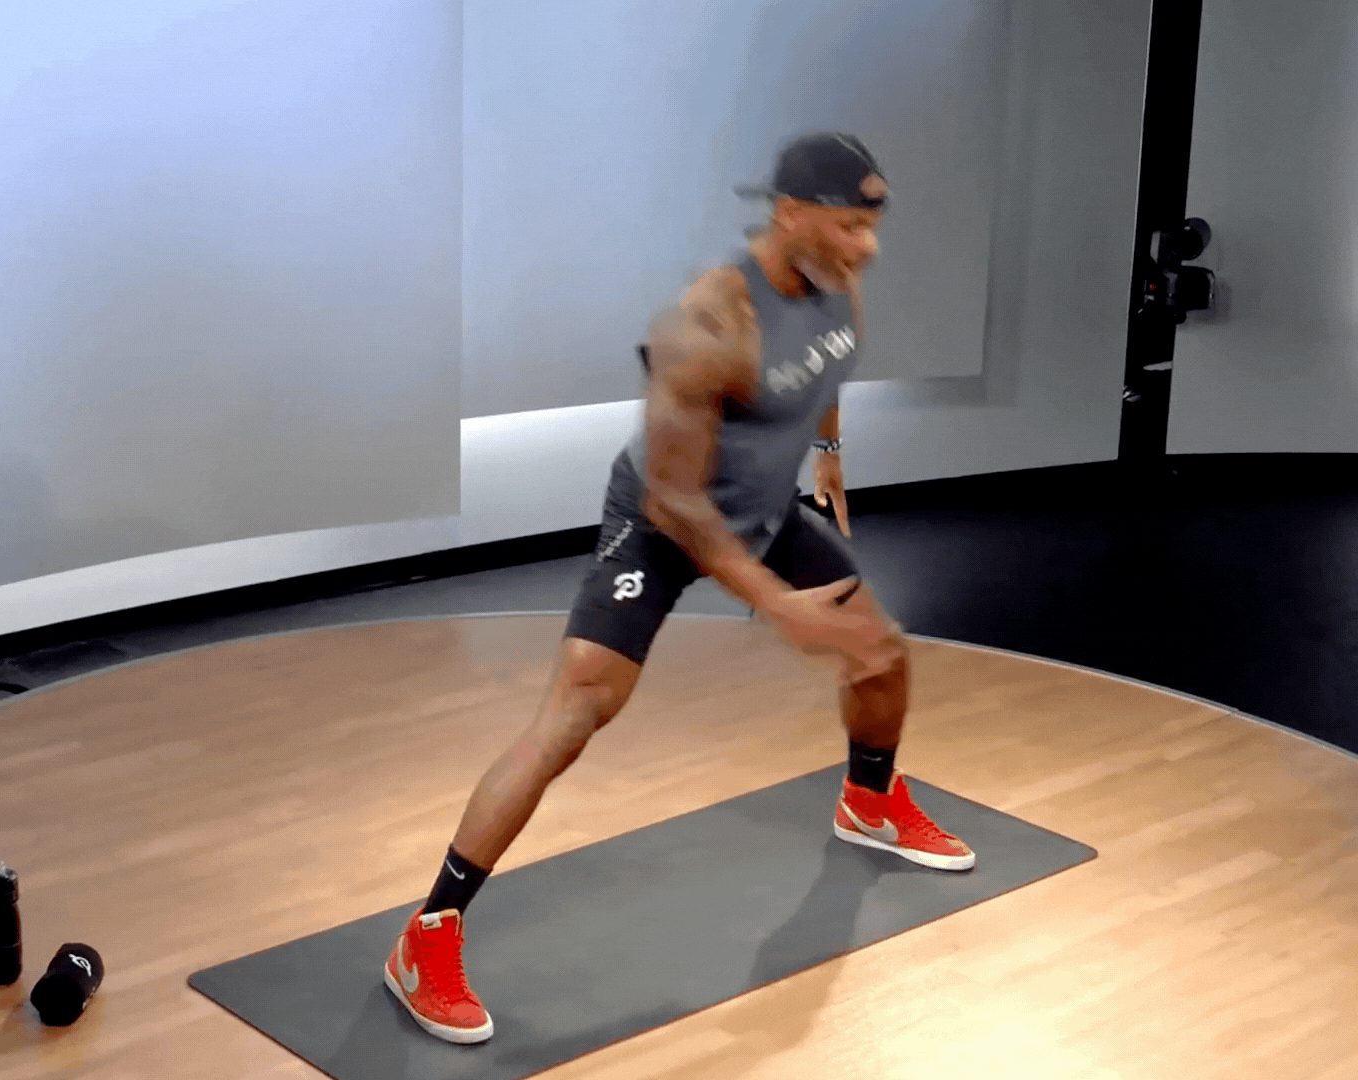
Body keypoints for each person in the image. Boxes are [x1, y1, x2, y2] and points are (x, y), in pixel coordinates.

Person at [381, 132, 975, 1045]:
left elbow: (825, 368)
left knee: (882, 655)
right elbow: (677, 500)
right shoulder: (708, 325)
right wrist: (773, 601)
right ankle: (428, 934)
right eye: (851, 226)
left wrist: (826, 456)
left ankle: (869, 799)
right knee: (577, 711)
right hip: (664, 521)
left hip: (763, 509)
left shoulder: (837, 286)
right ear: (792, 215)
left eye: (872, 226)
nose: (869, 246)